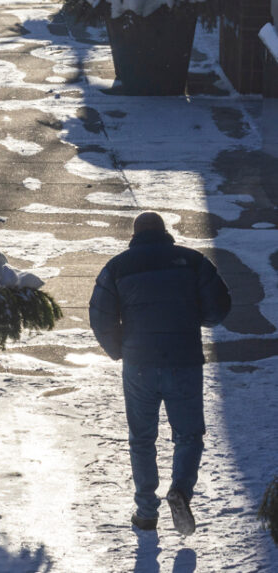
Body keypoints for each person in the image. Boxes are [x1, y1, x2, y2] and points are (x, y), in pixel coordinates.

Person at [89, 212, 231, 535]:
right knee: (189, 435)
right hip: (184, 361)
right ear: (164, 233)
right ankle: (180, 489)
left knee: (142, 439)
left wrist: (119, 349)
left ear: (135, 235)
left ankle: (146, 512)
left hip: (139, 366)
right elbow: (219, 306)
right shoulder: (192, 261)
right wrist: (197, 316)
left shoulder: (117, 267)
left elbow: (100, 317)